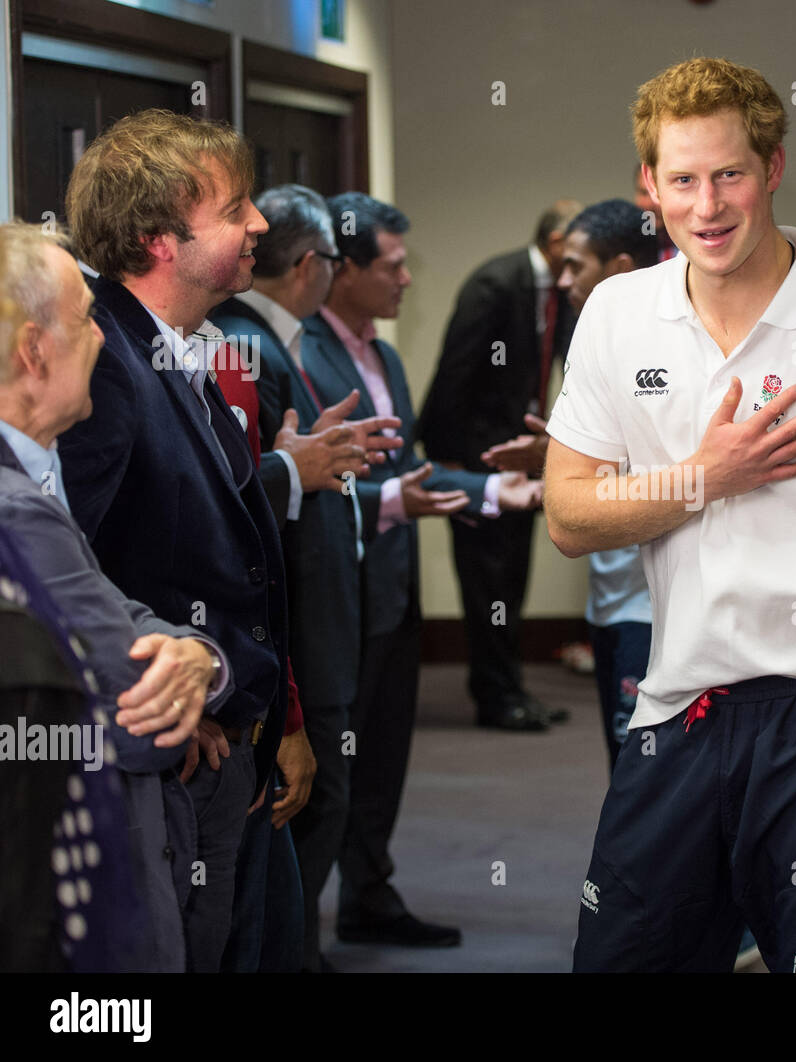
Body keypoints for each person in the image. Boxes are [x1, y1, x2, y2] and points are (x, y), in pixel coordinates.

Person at [545, 58, 796, 973]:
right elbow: (569, 515)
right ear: (649, 186)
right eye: (682, 180)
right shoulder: (616, 313)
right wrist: (701, 478)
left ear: (771, 168)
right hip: (676, 707)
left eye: (728, 174)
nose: (708, 205)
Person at [56, 109, 313, 971]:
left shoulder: (176, 348)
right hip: (169, 753)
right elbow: (67, 565)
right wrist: (171, 690)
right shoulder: (103, 366)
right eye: (236, 208)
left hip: (224, 732)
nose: (260, 224)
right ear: (157, 239)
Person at [302, 192, 540, 948]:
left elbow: (411, 471)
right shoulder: (305, 357)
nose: (407, 279)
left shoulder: (387, 357)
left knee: (380, 763)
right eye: (394, 266)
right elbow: (309, 485)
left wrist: (499, 489)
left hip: (394, 593)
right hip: (337, 601)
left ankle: (369, 897)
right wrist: (395, 501)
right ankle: (295, 939)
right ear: (343, 272)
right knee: (327, 778)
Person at [0, 222, 232, 970]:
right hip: (74, 899)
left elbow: (111, 610)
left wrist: (194, 653)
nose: (102, 336)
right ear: (34, 351)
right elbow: (145, 718)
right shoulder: (15, 512)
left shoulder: (39, 468)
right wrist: (194, 660)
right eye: (85, 317)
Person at [209, 184, 402, 971]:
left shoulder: (268, 336)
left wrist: (306, 456)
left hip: (309, 622)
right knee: (305, 806)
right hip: (279, 633)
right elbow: (224, 495)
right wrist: (294, 468)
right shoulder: (238, 340)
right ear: (313, 264)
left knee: (318, 801)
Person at [486, 199, 659, 768]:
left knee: (643, 772)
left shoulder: (665, 345)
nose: (562, 281)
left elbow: (686, 474)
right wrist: (555, 453)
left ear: (621, 269)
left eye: (575, 267)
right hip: (610, 597)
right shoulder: (598, 341)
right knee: (622, 759)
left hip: (652, 602)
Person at [417, 201, 583, 731]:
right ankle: (494, 695)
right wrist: (448, 463)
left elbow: (566, 361)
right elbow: (455, 369)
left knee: (511, 579)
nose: (581, 263)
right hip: (474, 455)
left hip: (521, 451)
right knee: (487, 581)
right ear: (555, 243)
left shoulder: (558, 289)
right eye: (576, 251)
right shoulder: (496, 282)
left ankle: (509, 687)